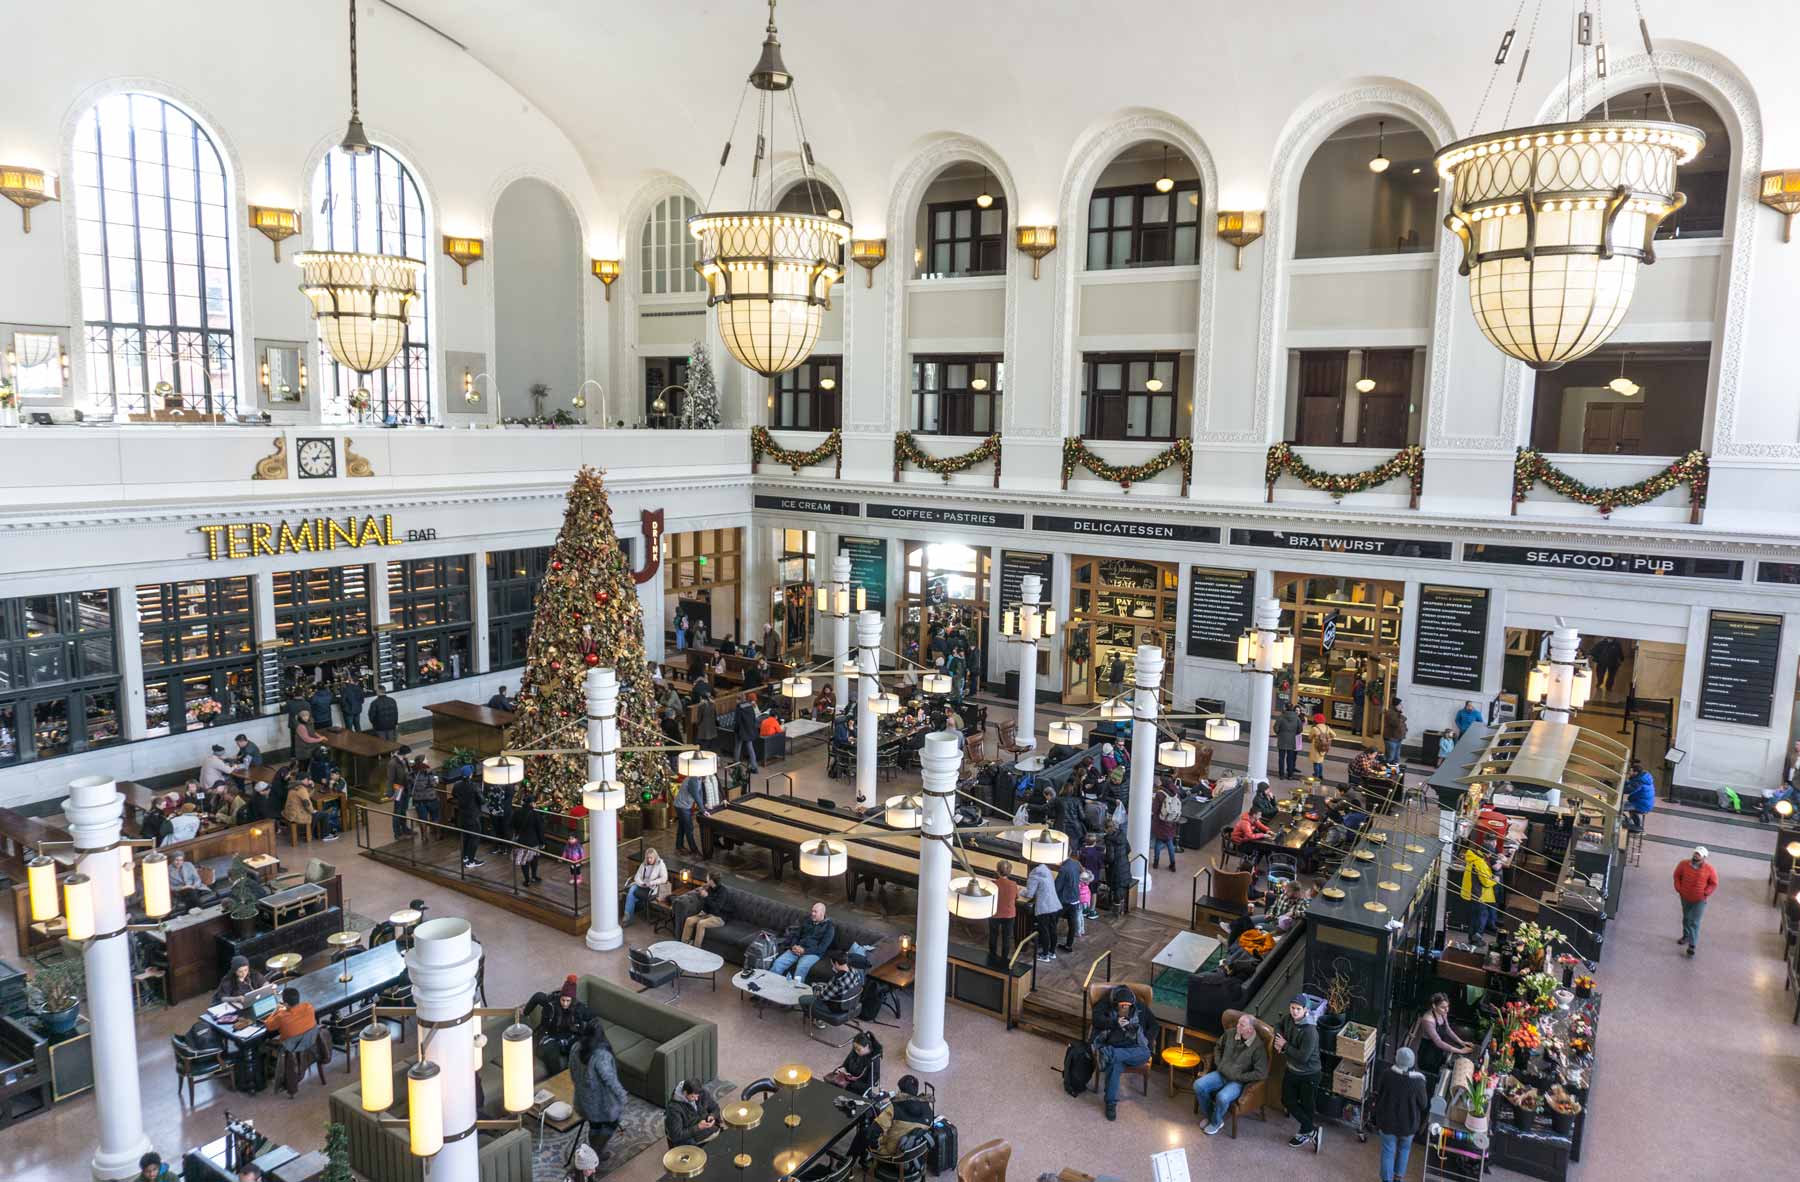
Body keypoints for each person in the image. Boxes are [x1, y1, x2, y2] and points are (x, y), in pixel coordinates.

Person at [1194, 1012, 1269, 1135]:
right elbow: (1217, 1047)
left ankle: (1215, 1123)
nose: (1237, 1026)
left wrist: (1241, 1077)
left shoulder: (1258, 1047)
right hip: (1221, 1073)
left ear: (1250, 1029)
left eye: (1242, 1025)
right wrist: (1219, 1063)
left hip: (1237, 1082)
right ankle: (1213, 1117)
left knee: (1222, 1097)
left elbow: (1261, 1073)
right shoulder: (1230, 1033)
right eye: (1238, 1023)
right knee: (1198, 1085)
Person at [569, 1021, 628, 1164]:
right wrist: (622, 1095)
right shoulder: (601, 1055)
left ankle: (593, 1152)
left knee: (594, 1125)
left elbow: (571, 1070)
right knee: (612, 1123)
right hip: (601, 1103)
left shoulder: (575, 1048)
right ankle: (593, 1154)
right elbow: (610, 1080)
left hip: (582, 1099)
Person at [1091, 984, 1150, 1121]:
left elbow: (1154, 1025)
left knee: (1146, 1053)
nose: (1125, 1008)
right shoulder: (1105, 1003)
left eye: (1127, 1005)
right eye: (1122, 1005)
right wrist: (1114, 1022)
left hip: (1131, 1046)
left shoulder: (1138, 1006)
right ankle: (1110, 1104)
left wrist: (1138, 1031)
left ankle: (1108, 1054)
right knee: (1115, 1065)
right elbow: (1096, 1020)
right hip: (1113, 1042)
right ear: (1116, 1003)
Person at [1372, 1046, 1429, 1182]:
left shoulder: (1386, 1074)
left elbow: (1378, 1093)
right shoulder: (1419, 1081)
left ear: (1396, 1059)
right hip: (1408, 1124)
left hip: (1387, 1121)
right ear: (1412, 1062)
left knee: (1388, 1151)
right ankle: (1398, 1178)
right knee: (1404, 1150)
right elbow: (1424, 1104)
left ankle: (1386, 1180)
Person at [1274, 995, 1323, 1148]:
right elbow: (1277, 1025)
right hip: (1292, 1069)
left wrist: (1284, 1045)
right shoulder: (1289, 1019)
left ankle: (1306, 1131)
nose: (1294, 1012)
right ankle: (1311, 1130)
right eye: (1292, 1008)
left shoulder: (1310, 1031)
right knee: (1286, 1100)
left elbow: (1303, 1057)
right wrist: (1278, 1039)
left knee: (1308, 1105)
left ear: (1305, 1010)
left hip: (1309, 1074)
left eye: (1298, 1009)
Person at [523, 975, 593, 1074]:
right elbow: (538, 996)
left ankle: (578, 1075)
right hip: (550, 1036)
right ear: (560, 997)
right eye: (563, 1000)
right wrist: (525, 1012)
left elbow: (592, 1018)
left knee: (583, 1050)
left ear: (572, 1000)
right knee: (551, 1055)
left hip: (569, 1037)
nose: (565, 1003)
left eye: (568, 1001)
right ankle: (558, 1078)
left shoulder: (578, 1008)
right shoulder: (551, 1003)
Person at [1408, 992, 1473, 1078]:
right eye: (1443, 1007)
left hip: (1438, 1050)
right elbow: (1438, 1042)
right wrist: (1460, 1051)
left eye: (1447, 1006)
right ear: (1434, 1006)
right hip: (1428, 1054)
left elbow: (1448, 1030)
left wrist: (1462, 1042)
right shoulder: (1428, 1020)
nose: (1446, 1010)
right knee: (1430, 1077)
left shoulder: (1443, 1013)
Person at [770, 901, 836, 982]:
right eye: (812, 911)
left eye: (815, 912)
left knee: (801, 968)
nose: (812, 913)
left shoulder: (829, 928)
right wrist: (793, 945)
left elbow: (821, 948)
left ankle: (796, 989)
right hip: (798, 948)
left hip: (813, 953)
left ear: (822, 913)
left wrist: (804, 951)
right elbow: (796, 935)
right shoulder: (807, 920)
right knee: (778, 963)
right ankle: (770, 984)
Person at [1674, 845, 1718, 956]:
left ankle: (1692, 945)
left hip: (1699, 900)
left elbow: (1713, 883)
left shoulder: (1709, 869)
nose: (1696, 856)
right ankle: (1686, 936)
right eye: (1695, 853)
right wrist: (1679, 888)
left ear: (1704, 857)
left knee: (1694, 922)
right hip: (1685, 897)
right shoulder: (1683, 864)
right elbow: (1677, 875)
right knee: (1686, 918)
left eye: (1699, 855)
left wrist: (1706, 893)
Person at [801, 950, 865, 1026]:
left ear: (836, 963)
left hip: (837, 1007)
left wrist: (815, 986)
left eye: (832, 964)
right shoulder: (855, 971)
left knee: (802, 999)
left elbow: (822, 997)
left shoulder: (837, 980)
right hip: (851, 1002)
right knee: (822, 985)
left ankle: (815, 1017)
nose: (832, 966)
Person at [1021, 858, 1062, 962]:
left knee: (1044, 930)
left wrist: (1021, 891)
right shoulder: (1046, 870)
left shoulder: (1034, 874)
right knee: (1053, 929)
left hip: (1044, 906)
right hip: (1054, 904)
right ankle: (1052, 952)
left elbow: (1029, 894)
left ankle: (1045, 955)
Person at [664, 1078, 721, 1146]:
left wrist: (712, 1116)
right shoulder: (673, 1109)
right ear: (685, 1093)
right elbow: (676, 1135)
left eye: (697, 1096)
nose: (696, 1099)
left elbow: (715, 1107)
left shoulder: (701, 1092)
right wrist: (698, 1127)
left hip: (711, 1129)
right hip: (693, 1139)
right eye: (693, 1096)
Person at [1462, 839, 1499, 941]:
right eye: (1490, 854)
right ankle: (1475, 939)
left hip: (1472, 892)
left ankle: (1472, 937)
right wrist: (1495, 880)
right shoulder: (1480, 863)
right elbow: (1486, 882)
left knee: (1475, 917)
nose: (1490, 856)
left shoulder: (1474, 857)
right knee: (1480, 918)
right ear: (1487, 854)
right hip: (1478, 894)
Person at [622, 846, 669, 925]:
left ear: (655, 857)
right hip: (642, 885)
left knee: (631, 893)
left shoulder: (660, 864)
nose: (649, 860)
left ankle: (628, 917)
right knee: (632, 890)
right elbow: (637, 876)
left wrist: (652, 882)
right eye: (647, 858)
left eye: (651, 858)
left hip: (653, 887)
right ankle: (628, 916)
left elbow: (664, 878)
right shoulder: (644, 864)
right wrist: (641, 883)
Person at [681, 875, 732, 946]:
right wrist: (703, 910)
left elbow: (716, 908)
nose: (706, 880)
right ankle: (684, 944)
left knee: (701, 923)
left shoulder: (723, 892)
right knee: (689, 920)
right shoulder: (709, 888)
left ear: (711, 881)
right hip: (708, 914)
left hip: (719, 917)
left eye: (707, 879)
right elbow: (706, 903)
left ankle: (696, 947)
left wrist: (706, 896)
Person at [988, 861, 1020, 965]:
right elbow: (1016, 897)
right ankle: (1004, 958)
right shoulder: (1013, 884)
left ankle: (992, 955)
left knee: (993, 935)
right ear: (1010, 872)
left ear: (997, 871)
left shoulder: (993, 884)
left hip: (995, 913)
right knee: (1007, 937)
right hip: (1009, 914)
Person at [513, 786, 547, 885]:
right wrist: (542, 842)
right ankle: (534, 876)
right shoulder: (535, 814)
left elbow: (513, 825)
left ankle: (527, 880)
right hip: (533, 842)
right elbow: (540, 830)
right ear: (532, 803)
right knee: (534, 860)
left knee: (524, 861)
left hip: (521, 841)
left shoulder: (517, 812)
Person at [453, 772, 485, 868]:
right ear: (470, 775)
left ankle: (465, 856)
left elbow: (454, 795)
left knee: (466, 837)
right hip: (473, 816)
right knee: (474, 838)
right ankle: (471, 861)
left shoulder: (457, 785)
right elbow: (482, 800)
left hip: (462, 815)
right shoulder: (474, 786)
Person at [672, 771, 707, 855]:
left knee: (682, 827)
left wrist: (703, 807)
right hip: (682, 806)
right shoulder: (693, 779)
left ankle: (679, 846)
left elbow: (700, 793)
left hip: (684, 805)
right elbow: (696, 795)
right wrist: (703, 810)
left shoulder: (699, 778)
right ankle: (694, 850)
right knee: (689, 828)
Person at [1151, 778, 1182, 871]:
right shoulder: (1176, 793)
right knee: (1170, 843)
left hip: (1160, 822)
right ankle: (1173, 864)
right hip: (1171, 822)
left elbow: (1154, 809)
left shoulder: (1160, 794)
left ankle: (1156, 863)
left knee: (1158, 842)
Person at [1054, 852, 1083, 952]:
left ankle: (1051, 945)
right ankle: (1069, 945)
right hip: (1075, 898)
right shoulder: (1076, 863)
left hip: (1064, 899)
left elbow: (1057, 887)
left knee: (1053, 921)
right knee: (1072, 923)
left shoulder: (1064, 869)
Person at [387, 745, 414, 839]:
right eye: (408, 753)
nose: (409, 755)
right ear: (404, 753)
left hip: (406, 787)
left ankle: (405, 828)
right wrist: (390, 793)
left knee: (403, 809)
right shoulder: (392, 763)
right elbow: (390, 779)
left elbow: (408, 772)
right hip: (398, 788)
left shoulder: (405, 760)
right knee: (397, 811)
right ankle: (397, 832)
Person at [732, 692, 762, 772]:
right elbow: (754, 718)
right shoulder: (750, 706)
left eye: (736, 699)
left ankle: (736, 764)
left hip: (740, 731)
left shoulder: (739, 708)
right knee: (750, 748)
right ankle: (754, 767)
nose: (735, 701)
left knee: (738, 747)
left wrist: (735, 729)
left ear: (739, 699)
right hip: (749, 730)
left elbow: (737, 721)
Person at [1623, 760, 1655, 832]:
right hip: (1644, 803)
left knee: (1619, 808)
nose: (1629, 772)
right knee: (1627, 807)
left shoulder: (1640, 781)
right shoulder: (1642, 778)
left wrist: (1618, 788)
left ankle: (1631, 825)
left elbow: (1628, 790)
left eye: (1630, 771)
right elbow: (1630, 784)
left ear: (1635, 772)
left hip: (1641, 805)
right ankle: (1636, 826)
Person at [1274, 704, 1303, 780]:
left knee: (1281, 758)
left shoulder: (1281, 717)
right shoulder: (1297, 718)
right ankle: (1290, 775)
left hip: (1282, 740)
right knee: (1290, 758)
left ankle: (1281, 775)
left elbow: (1276, 729)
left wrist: (1280, 734)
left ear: (1285, 708)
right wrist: (1293, 734)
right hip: (1292, 740)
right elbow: (1300, 729)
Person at [1306, 714, 1335, 782]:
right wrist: (1327, 739)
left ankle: (1316, 776)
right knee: (1320, 762)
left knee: (1316, 762)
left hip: (1316, 747)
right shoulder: (1327, 727)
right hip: (1324, 747)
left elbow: (1309, 737)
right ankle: (1320, 775)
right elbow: (1334, 735)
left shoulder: (1315, 728)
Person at [1383, 698, 1407, 766]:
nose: (1402, 706)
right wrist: (1401, 717)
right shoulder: (1390, 713)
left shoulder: (1397, 713)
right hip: (1391, 739)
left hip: (1397, 738)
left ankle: (1394, 771)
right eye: (1400, 704)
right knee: (1390, 758)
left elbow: (1401, 724)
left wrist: (1405, 729)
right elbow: (1396, 724)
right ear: (1395, 705)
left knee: (1396, 758)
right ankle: (1385, 770)